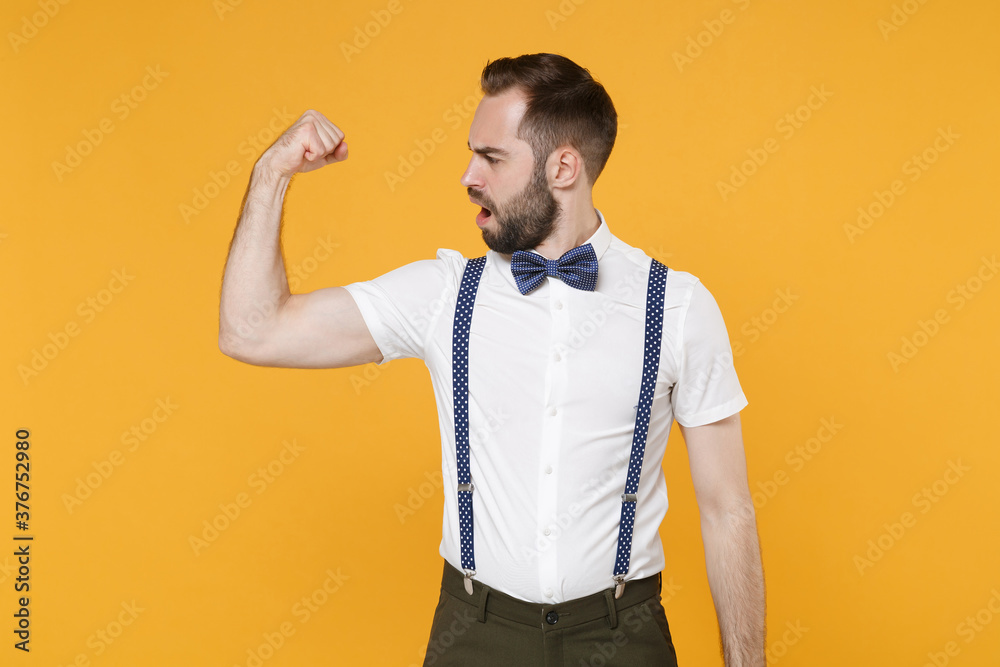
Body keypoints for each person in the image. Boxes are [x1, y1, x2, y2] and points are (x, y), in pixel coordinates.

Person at [218, 53, 765, 666]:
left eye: (492, 158)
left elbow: (727, 510)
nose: (468, 176)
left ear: (563, 168)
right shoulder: (443, 295)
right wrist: (272, 173)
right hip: (475, 636)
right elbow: (251, 330)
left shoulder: (679, 307)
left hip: (623, 637)